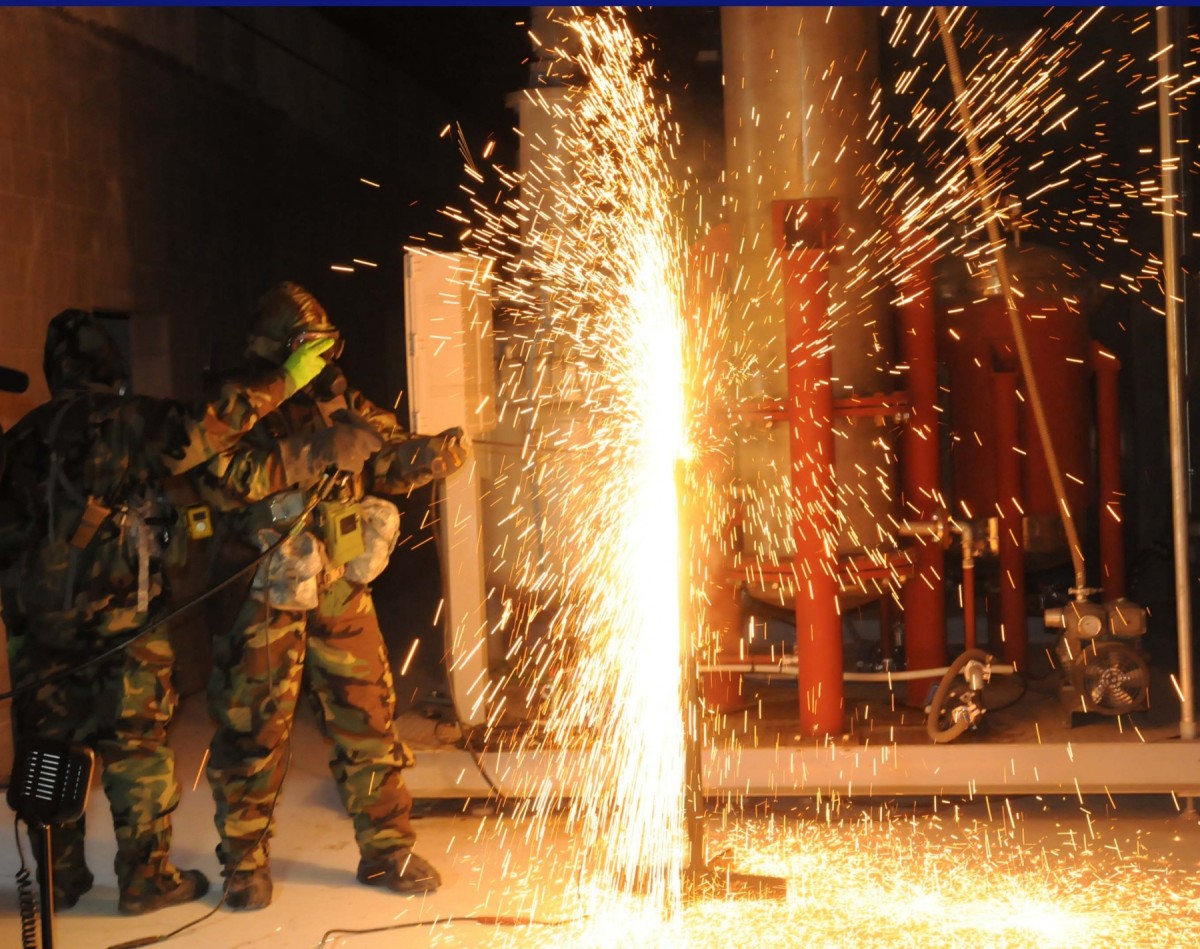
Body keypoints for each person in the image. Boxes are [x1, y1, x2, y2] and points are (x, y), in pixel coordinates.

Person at [0, 309, 332, 914]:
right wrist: (286, 377)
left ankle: (57, 876)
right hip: (124, 625)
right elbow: (209, 425)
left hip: (37, 633)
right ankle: (144, 880)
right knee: (136, 749)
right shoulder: (127, 420)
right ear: (110, 368)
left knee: (48, 749)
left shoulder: (19, 439)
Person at [195, 282, 467, 910]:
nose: (321, 361)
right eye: (308, 349)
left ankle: (387, 850)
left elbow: (382, 458)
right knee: (253, 730)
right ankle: (244, 864)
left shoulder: (335, 398)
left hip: (339, 585)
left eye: (326, 348)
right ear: (279, 347)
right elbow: (220, 478)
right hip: (263, 592)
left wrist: (425, 456)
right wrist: (314, 451)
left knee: (368, 718)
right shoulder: (235, 401)